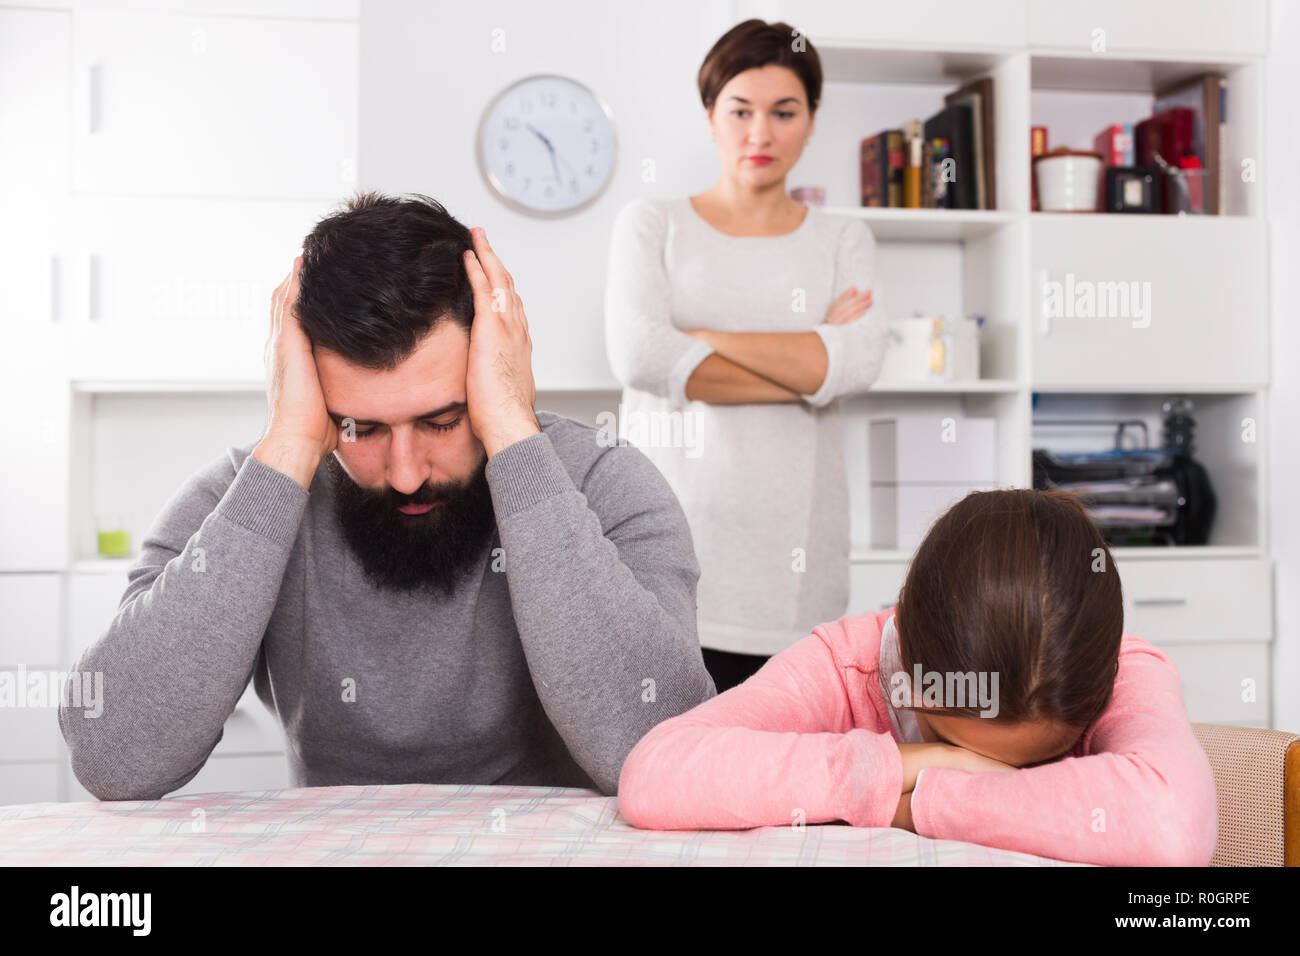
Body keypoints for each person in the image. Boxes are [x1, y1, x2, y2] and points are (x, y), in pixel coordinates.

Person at [59, 191, 715, 800]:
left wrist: (513, 430)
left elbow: (659, 755)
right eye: (360, 427)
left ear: (500, 365)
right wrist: (289, 442)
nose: (405, 473)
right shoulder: (246, 496)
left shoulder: (604, 482)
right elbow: (115, 758)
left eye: (444, 420)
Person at [617, 489, 1220, 867]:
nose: (1000, 775)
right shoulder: (849, 665)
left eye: (1032, 766)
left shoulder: (1119, 666)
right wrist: (905, 764)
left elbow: (1172, 830)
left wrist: (920, 801)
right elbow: (657, 773)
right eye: (955, 745)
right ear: (907, 654)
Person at [605, 19, 887, 693]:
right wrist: (809, 358)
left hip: (794, 573)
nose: (760, 134)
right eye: (740, 111)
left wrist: (700, 339)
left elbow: (856, 364)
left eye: (784, 112)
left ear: (812, 120)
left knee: (785, 780)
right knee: (662, 777)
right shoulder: (653, 223)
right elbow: (641, 356)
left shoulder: (843, 237)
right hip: (668, 554)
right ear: (711, 117)